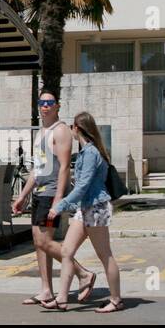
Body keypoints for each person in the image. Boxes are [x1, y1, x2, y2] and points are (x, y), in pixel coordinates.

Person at [11, 91, 98, 307]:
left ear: (57, 106)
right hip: (40, 193)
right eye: (42, 102)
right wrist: (23, 195)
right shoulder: (41, 132)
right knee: (39, 243)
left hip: (51, 193)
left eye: (50, 103)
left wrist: (59, 198)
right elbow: (37, 168)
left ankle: (83, 274)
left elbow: (65, 167)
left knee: (44, 241)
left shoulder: (61, 131)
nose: (45, 106)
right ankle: (46, 290)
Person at [46, 112, 123, 313]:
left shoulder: (90, 153)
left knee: (105, 255)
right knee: (66, 251)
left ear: (77, 129)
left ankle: (116, 300)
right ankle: (62, 298)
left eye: (72, 126)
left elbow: (82, 186)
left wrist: (59, 206)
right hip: (85, 208)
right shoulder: (86, 152)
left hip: (96, 207)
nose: (71, 130)